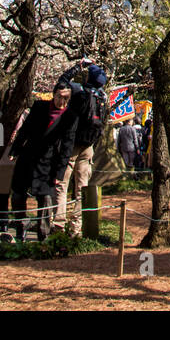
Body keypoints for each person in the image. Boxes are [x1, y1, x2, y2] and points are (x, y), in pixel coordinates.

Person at [8, 82, 78, 243]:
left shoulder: (70, 116)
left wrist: (60, 172)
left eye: (66, 98)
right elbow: (24, 130)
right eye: (59, 97)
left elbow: (67, 146)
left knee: (45, 197)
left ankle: (43, 233)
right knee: (18, 193)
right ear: (53, 95)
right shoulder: (39, 107)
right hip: (28, 155)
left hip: (49, 161)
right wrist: (15, 150)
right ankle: (21, 225)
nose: (62, 101)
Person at [52, 59, 109, 235]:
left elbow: (62, 82)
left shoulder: (78, 90)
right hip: (88, 146)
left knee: (62, 184)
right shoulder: (103, 97)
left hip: (71, 144)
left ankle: (59, 225)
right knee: (81, 188)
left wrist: (78, 66)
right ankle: (76, 228)